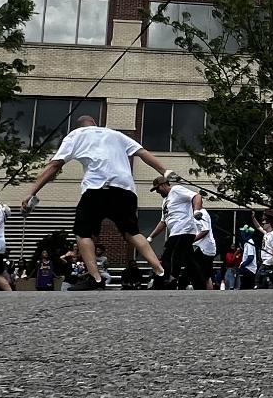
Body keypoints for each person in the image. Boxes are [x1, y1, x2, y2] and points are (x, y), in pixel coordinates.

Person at [18, 113, 175, 290]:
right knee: (132, 232)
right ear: (95, 123)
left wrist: (31, 192)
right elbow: (143, 153)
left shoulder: (76, 135)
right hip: (125, 190)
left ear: (80, 126)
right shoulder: (115, 134)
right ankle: (162, 273)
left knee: (83, 233)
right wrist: (165, 171)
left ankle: (96, 279)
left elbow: (54, 166)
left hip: (97, 189)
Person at [151, 175, 207, 290]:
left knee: (169, 256)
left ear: (163, 185)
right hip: (175, 232)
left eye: (157, 189)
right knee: (189, 260)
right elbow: (163, 222)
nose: (157, 192)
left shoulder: (176, 190)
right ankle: (201, 285)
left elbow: (196, 196)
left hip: (184, 230)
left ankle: (168, 281)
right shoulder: (165, 202)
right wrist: (151, 237)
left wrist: (196, 210)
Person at [190, 207, 217, 290]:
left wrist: (191, 240)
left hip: (204, 248)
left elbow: (205, 230)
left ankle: (201, 289)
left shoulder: (201, 213)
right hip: (205, 247)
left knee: (199, 272)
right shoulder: (196, 213)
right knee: (207, 274)